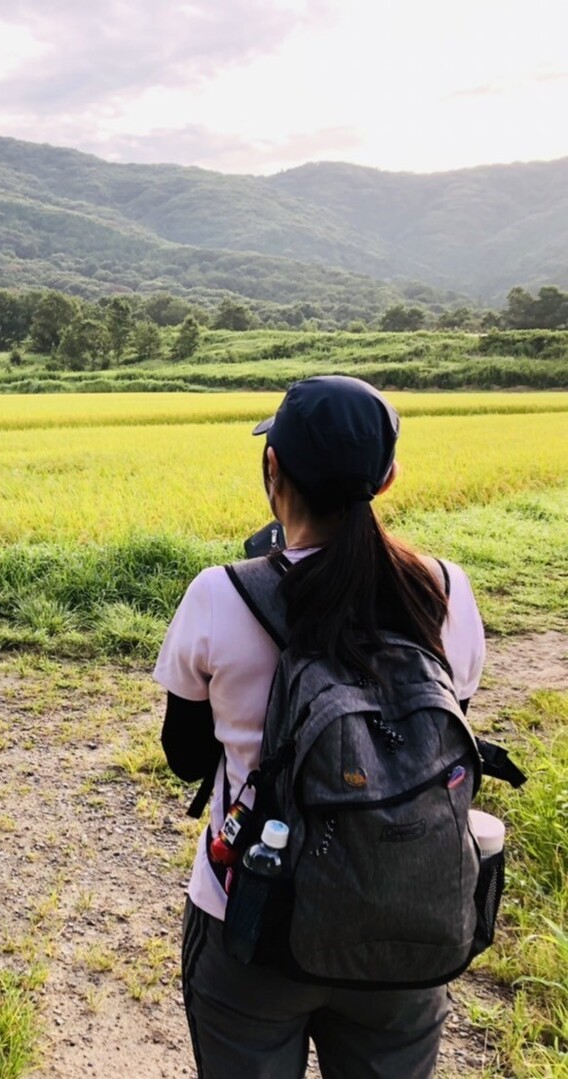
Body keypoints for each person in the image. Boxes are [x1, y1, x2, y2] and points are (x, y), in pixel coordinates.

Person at [154, 376, 486, 1079]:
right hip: (407, 922)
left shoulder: (222, 592)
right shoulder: (448, 593)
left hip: (250, 919)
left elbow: (185, 757)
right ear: (387, 477)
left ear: (272, 467)